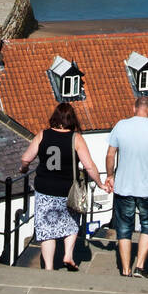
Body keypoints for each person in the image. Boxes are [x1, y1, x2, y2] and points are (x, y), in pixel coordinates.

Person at [20, 102, 104, 272]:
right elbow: (89, 166)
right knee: (72, 223)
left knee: (46, 229)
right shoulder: (76, 138)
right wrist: (100, 183)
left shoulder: (42, 135)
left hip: (45, 189)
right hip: (68, 189)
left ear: (55, 118)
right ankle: (68, 255)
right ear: (72, 119)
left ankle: (49, 267)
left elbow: (26, 158)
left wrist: (24, 168)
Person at [104, 96, 148, 277]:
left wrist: (110, 176)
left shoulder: (121, 126)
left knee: (124, 228)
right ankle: (140, 266)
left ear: (134, 108)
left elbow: (110, 155)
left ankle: (125, 269)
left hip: (124, 187)